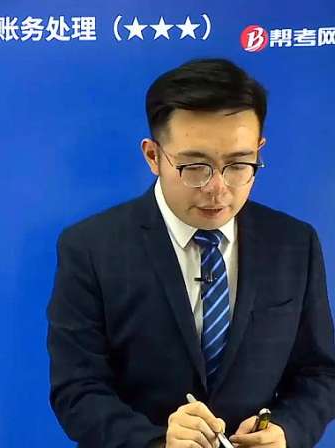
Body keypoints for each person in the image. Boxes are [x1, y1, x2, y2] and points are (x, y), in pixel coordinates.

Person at [46, 58, 335, 448]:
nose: (218, 189)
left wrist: (287, 430)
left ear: (259, 150)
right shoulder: (91, 248)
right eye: (195, 166)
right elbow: (77, 389)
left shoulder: (294, 244)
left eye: (238, 164)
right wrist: (156, 442)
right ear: (153, 156)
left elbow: (320, 373)